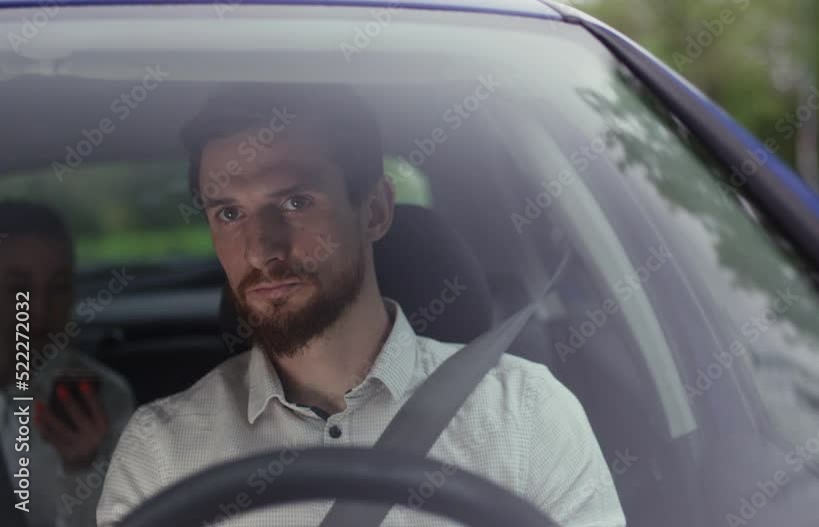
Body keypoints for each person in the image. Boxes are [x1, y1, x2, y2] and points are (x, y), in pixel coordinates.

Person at [96, 85, 626, 526]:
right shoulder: (162, 453)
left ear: (374, 210)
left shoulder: (526, 417)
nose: (261, 249)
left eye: (295, 202)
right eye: (229, 213)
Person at [0, 201, 135, 527]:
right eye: (19, 287)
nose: (39, 309)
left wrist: (82, 468)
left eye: (58, 287)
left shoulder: (103, 399)